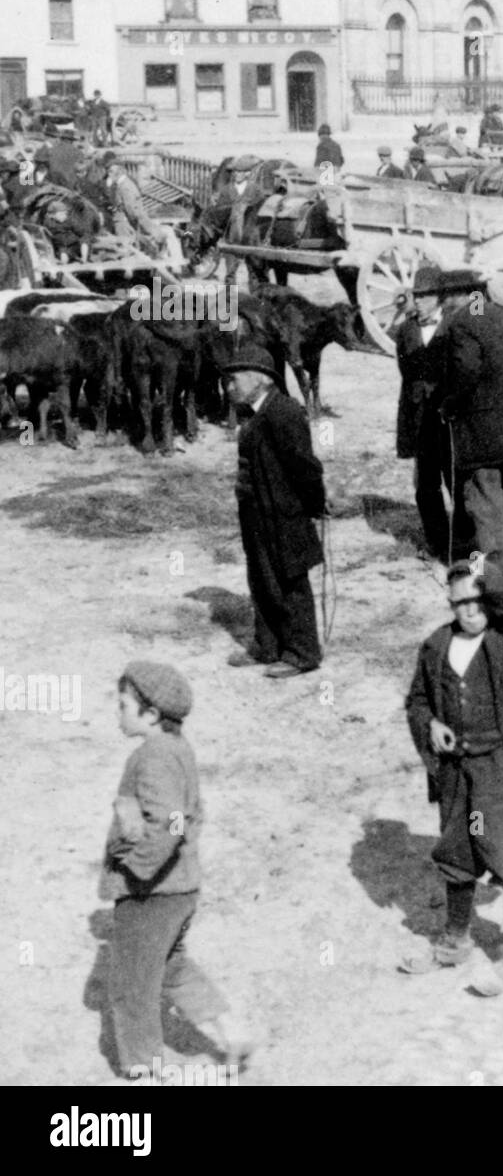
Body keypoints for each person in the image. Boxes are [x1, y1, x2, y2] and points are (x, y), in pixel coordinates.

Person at [402, 560, 503, 994]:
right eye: (460, 604)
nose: (470, 612)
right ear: (450, 606)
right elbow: (416, 701)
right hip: (456, 770)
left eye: (478, 602)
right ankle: (455, 941)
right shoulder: (436, 645)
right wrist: (431, 724)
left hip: (497, 768)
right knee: (458, 851)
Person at [101, 660, 252, 1079]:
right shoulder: (179, 749)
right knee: (171, 967)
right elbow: (187, 816)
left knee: (132, 983)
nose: (118, 713)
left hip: (152, 892)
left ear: (150, 714)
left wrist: (137, 865)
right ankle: (228, 1027)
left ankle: (146, 1066)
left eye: (123, 705)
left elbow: (170, 822)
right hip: (182, 887)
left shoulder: (153, 757)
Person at [222, 346, 327, 676]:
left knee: (290, 581)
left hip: (284, 515)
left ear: (260, 379)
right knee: (263, 579)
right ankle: (268, 646)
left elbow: (305, 466)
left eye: (234, 379)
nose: (229, 387)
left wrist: (315, 504)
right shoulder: (257, 413)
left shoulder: (283, 412)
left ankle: (302, 654)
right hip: (257, 515)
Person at [436, 267, 503, 559]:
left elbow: (467, 371)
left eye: (444, 298)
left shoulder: (462, 321)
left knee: (482, 500)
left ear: (458, 296)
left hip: (483, 424)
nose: (442, 304)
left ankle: (491, 577)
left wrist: (450, 405)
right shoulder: (499, 313)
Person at [396, 265, 452, 563]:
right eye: (416, 295)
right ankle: (436, 542)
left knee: (457, 481)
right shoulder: (406, 330)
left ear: (439, 298)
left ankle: (465, 544)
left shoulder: (455, 325)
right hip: (419, 417)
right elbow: (404, 369)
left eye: (425, 296)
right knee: (426, 484)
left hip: (448, 417)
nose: (418, 301)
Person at [102, 152, 168, 253]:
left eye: (111, 171)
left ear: (119, 171)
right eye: (108, 172)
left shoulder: (125, 187)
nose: (109, 174)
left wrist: (138, 227)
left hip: (124, 226)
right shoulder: (120, 185)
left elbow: (132, 211)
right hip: (124, 223)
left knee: (127, 252)